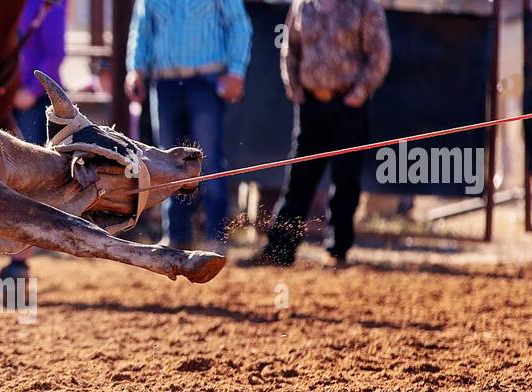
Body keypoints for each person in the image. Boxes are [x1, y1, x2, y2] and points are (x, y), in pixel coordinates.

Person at [253, 0, 390, 267]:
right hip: (311, 105)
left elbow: (380, 54)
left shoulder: (364, 6)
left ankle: (337, 250)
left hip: (349, 104)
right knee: (298, 180)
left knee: (345, 180)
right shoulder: (303, 5)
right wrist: (294, 87)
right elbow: (290, 48)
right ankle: (281, 249)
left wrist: (359, 93)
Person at [125, 0, 251, 252]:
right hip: (165, 82)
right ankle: (176, 235)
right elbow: (141, 28)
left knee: (209, 159)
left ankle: (216, 237)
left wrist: (236, 71)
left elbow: (239, 25)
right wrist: (135, 69)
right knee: (168, 161)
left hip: (206, 80)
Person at [4, 0, 68, 282]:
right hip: (2, 96)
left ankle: (20, 259)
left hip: (32, 99)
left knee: (30, 181)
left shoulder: (46, 3)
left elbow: (55, 52)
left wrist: (30, 90)